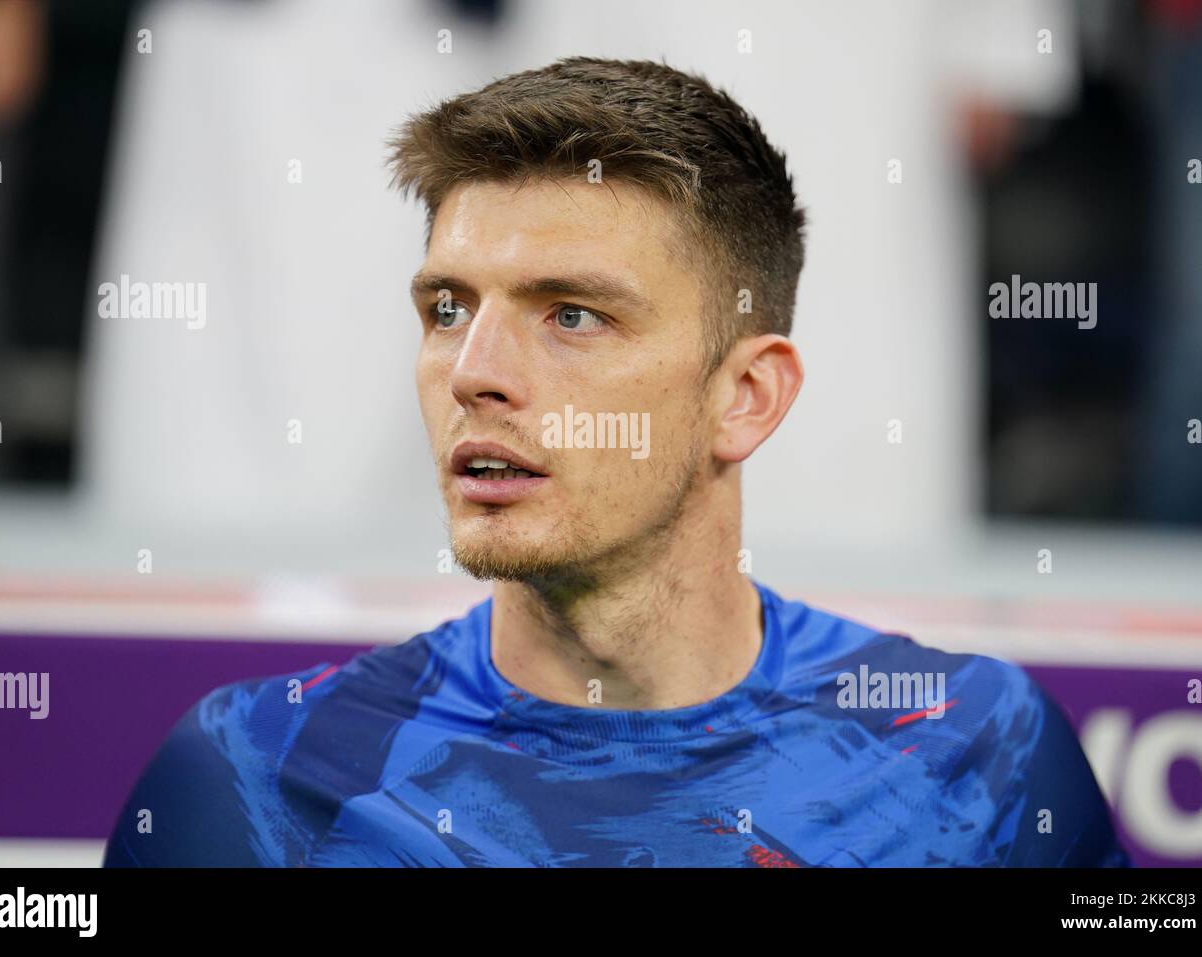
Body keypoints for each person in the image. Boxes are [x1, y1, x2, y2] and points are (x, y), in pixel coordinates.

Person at [104, 57, 1127, 868]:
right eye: (447, 309)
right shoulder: (251, 776)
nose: (475, 373)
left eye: (573, 315)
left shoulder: (979, 753)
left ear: (745, 397)